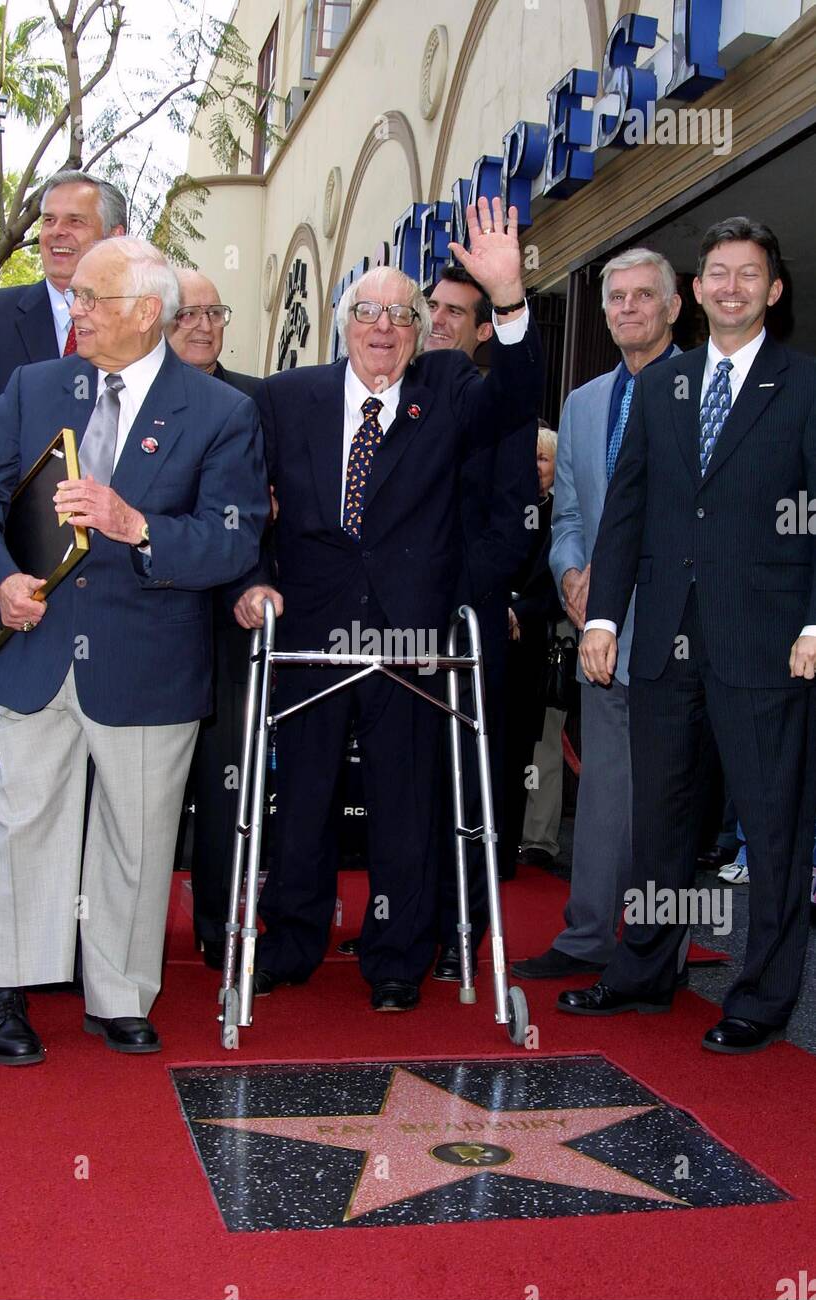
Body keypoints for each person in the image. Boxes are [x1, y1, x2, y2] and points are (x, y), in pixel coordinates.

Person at [0, 238, 268, 1064]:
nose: (75, 308)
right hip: (35, 646)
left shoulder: (222, 413)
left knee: (138, 831)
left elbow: (233, 542)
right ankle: (9, 991)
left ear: (145, 314)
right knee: (23, 822)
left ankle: (120, 996)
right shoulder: (34, 387)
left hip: (147, 662)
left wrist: (138, 529)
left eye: (92, 297)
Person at [235, 195, 544, 1011]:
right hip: (308, 624)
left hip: (412, 632)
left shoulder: (444, 389)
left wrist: (508, 299)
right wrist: (254, 579)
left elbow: (516, 398)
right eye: (368, 312)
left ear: (419, 330)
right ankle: (292, 943)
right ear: (345, 323)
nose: (383, 328)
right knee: (302, 795)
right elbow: (247, 501)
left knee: (407, 799)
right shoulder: (285, 397)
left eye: (399, 316)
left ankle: (399, 957)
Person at [562, 216, 816, 1054]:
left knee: (772, 828)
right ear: (698, 290)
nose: (731, 287)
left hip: (768, 647)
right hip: (663, 644)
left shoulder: (804, 385)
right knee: (661, 824)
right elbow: (628, 508)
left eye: (748, 274)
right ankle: (644, 972)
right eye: (717, 273)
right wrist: (603, 617)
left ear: (772, 293)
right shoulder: (664, 389)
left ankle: (762, 995)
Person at [0, 170, 127, 1015]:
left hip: (98, 625)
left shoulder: (131, 335)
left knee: (75, 797)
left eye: (76, 222)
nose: (57, 234)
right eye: (48, 221)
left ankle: (55, 957)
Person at [336, 264, 540, 976]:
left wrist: (455, 598)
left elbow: (513, 527)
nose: (441, 321)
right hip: (391, 621)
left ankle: (462, 934)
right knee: (403, 785)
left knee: (466, 785)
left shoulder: (487, 405)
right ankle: (403, 920)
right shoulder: (388, 398)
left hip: (462, 622)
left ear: (483, 329)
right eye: (435, 309)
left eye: (457, 312)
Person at [513, 249, 682, 981]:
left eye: (646, 296)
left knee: (671, 796)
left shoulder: (703, 390)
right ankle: (586, 938)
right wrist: (573, 575)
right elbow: (572, 514)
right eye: (617, 297)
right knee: (608, 787)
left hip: (680, 625)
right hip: (600, 629)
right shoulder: (582, 404)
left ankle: (657, 954)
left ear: (676, 308)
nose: (629, 308)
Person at [166, 269, 263, 969]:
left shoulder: (257, 401)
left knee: (226, 781)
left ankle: (217, 927)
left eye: (215, 313)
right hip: (149, 624)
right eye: (188, 314)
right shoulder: (133, 398)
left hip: (232, 626)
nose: (204, 326)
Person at [501, 427, 563, 877]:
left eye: (543, 460)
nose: (534, 467)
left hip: (540, 638)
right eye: (530, 458)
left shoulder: (564, 514)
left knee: (541, 746)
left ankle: (538, 840)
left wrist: (521, 610)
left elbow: (559, 576)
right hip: (496, 637)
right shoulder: (505, 506)